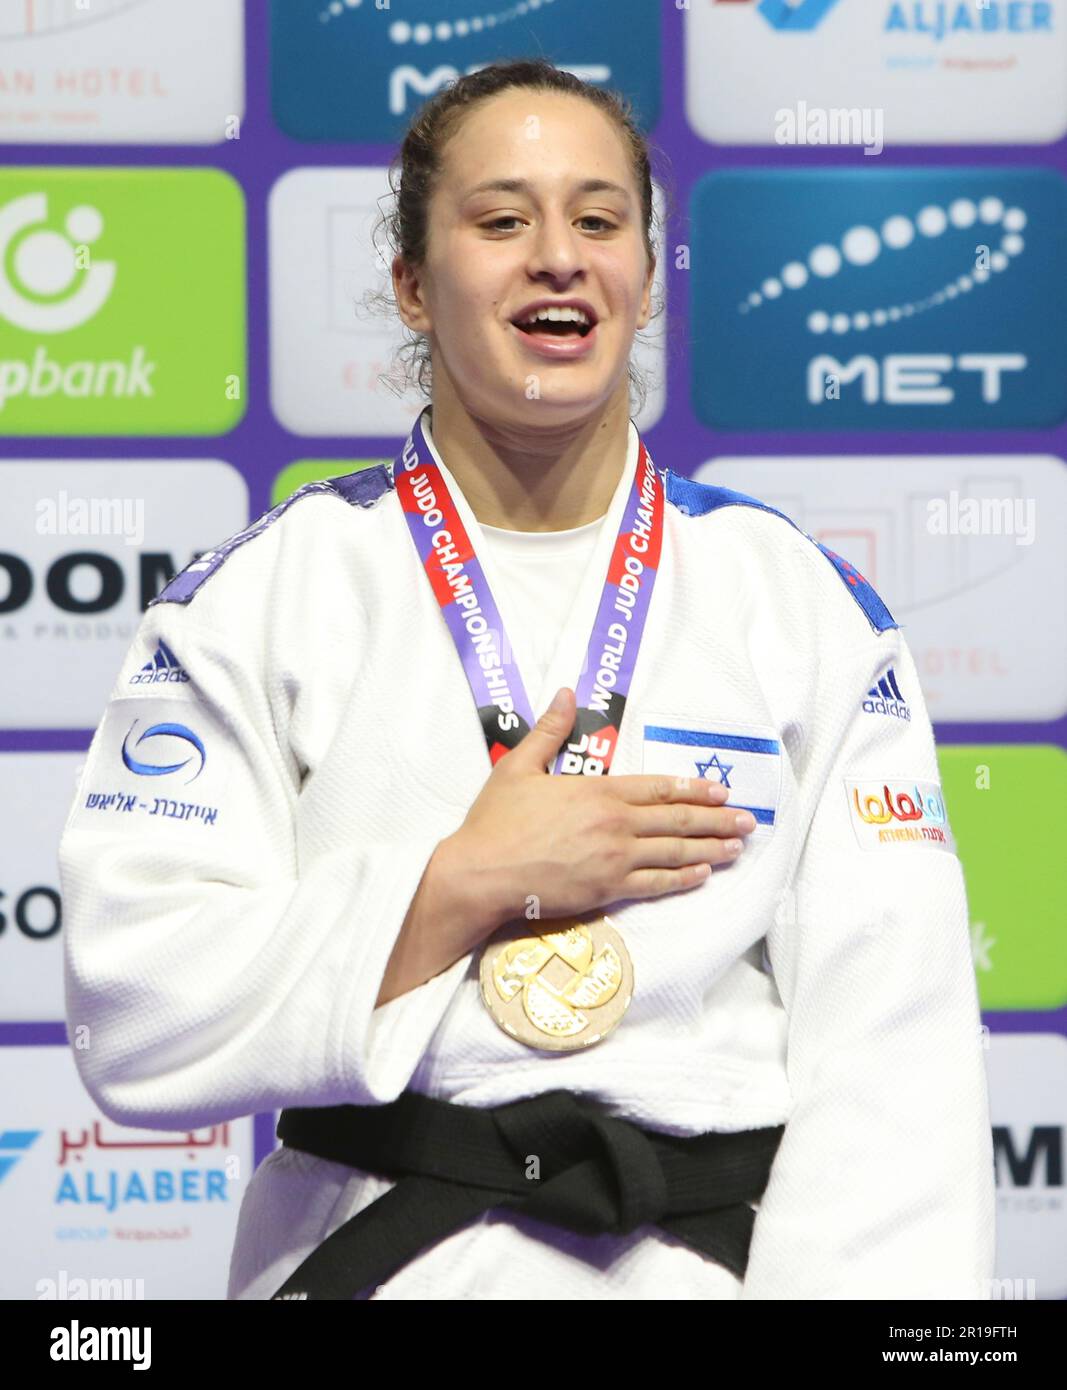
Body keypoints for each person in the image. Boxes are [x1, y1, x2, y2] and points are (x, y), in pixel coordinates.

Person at [57, 59, 995, 1301]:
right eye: (500, 220)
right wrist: (459, 884)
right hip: (376, 1256)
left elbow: (896, 1049)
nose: (556, 255)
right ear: (410, 282)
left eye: (598, 220)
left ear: (647, 281)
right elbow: (137, 1003)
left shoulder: (798, 604)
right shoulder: (266, 594)